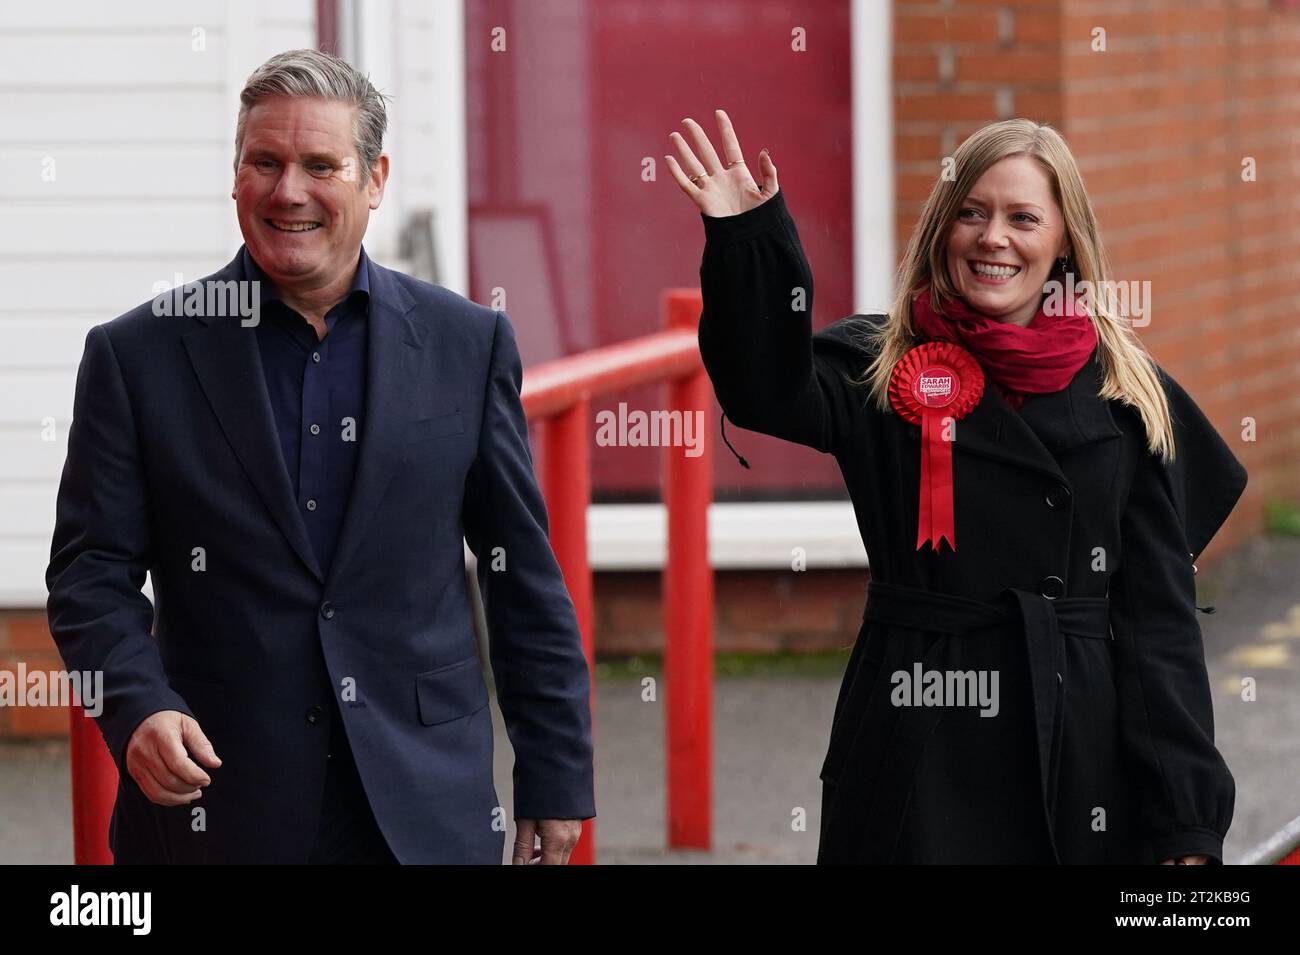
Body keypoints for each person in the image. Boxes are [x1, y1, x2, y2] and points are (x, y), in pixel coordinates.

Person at [46, 49, 594, 865]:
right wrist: (137, 707)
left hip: (425, 813)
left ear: (374, 179)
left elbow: (522, 577)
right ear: (235, 176)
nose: (288, 191)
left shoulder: (467, 344)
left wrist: (554, 774)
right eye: (263, 162)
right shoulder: (137, 357)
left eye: (319, 165)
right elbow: (90, 574)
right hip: (218, 810)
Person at [667, 110, 1247, 864]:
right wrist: (751, 243)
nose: (993, 237)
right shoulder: (879, 365)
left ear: (1065, 238)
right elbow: (763, 389)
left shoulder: (1128, 395)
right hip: (914, 745)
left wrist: (1186, 818)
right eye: (971, 212)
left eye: (1022, 217)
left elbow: (1158, 627)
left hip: (1079, 764)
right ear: (943, 227)